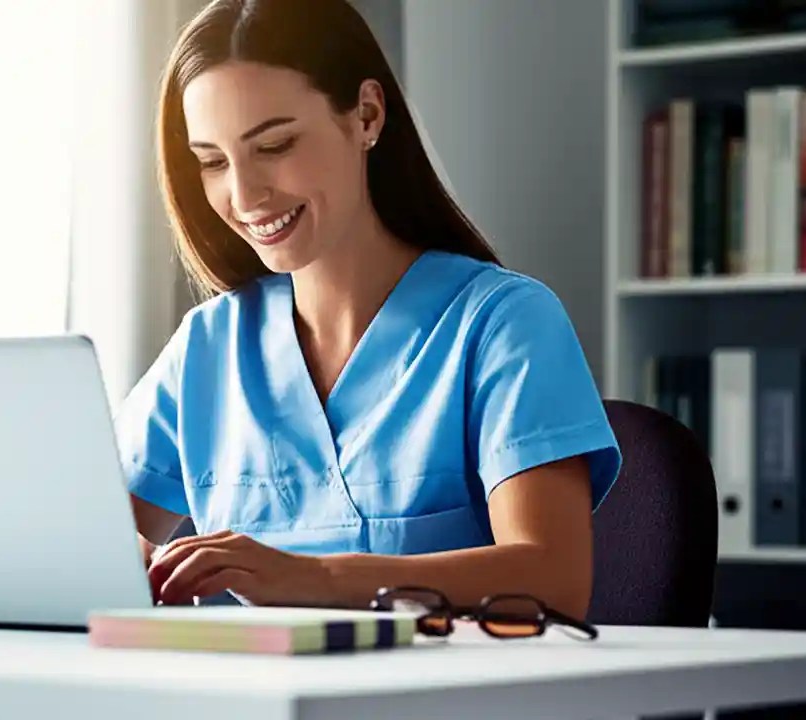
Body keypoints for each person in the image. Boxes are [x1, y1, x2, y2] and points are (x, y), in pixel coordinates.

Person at [114, 0, 621, 619]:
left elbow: (553, 578)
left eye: (274, 145)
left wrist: (314, 577)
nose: (244, 195)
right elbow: (78, 541)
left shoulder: (502, 323)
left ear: (367, 116)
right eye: (214, 162)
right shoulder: (208, 348)